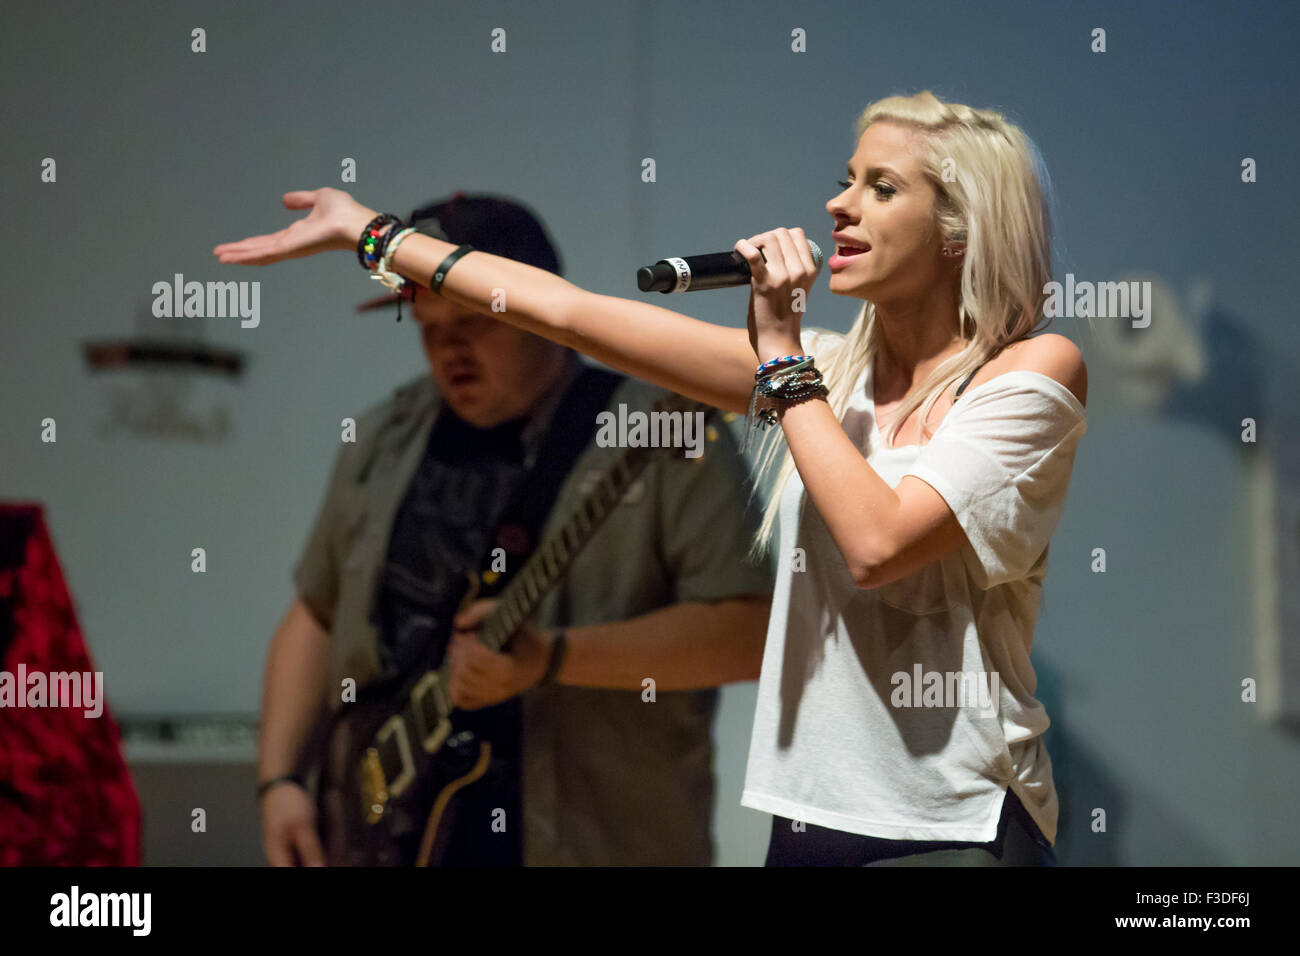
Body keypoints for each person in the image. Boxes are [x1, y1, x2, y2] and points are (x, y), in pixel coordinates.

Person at [217, 90, 1088, 867]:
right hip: (808, 815)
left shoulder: (1032, 372)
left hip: (952, 825)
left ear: (960, 228)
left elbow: (877, 542)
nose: (838, 204)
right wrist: (373, 233)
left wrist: (779, 355)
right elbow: (567, 312)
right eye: (845, 178)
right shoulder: (826, 379)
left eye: (880, 188)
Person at [253, 193, 773, 866]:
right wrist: (280, 781)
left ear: (536, 312)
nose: (449, 352)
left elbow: (749, 632)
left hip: (593, 838)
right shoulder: (384, 434)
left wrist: (552, 657)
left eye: (472, 323)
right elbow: (315, 613)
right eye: (429, 328)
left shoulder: (667, 430)